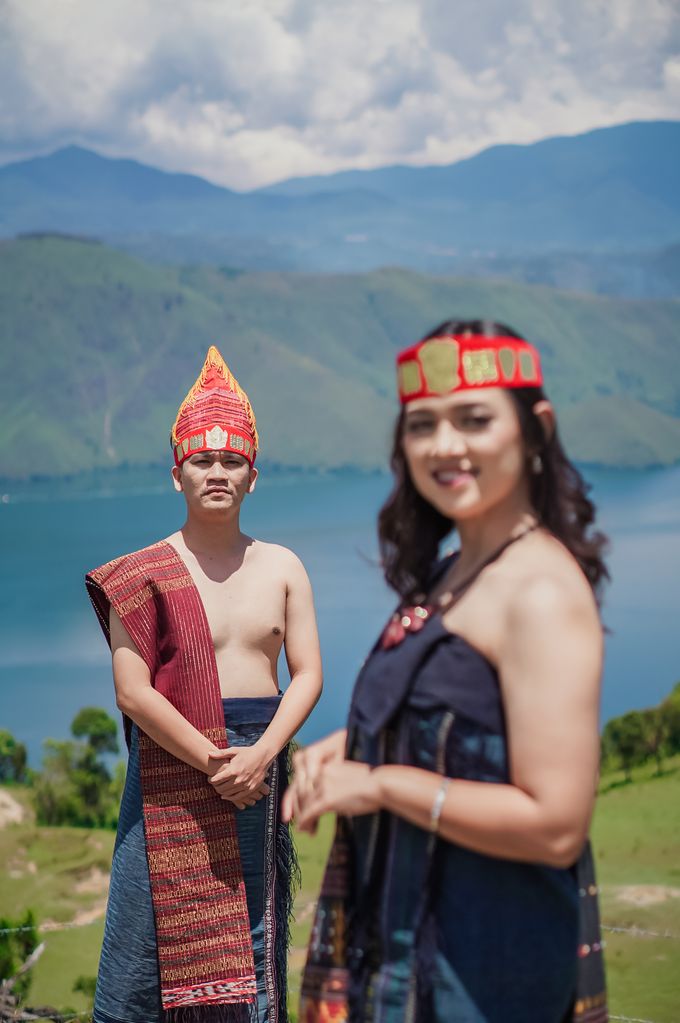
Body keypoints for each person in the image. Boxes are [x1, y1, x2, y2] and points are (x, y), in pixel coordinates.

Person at [284, 321, 608, 1023]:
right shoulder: (450, 575)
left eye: (474, 419)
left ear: (536, 429)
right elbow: (462, 730)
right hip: (401, 968)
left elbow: (556, 823)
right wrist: (357, 746)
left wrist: (378, 782)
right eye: (422, 424)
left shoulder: (541, 592)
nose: (446, 446)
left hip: (483, 979)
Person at [86, 345, 323, 1023]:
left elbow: (308, 674)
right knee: (148, 925)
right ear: (176, 473)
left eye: (232, 461)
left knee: (251, 929)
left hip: (259, 757)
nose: (217, 472)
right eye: (202, 460)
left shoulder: (283, 567)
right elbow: (134, 692)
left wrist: (261, 756)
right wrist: (215, 760)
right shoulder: (143, 573)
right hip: (172, 762)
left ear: (254, 474)